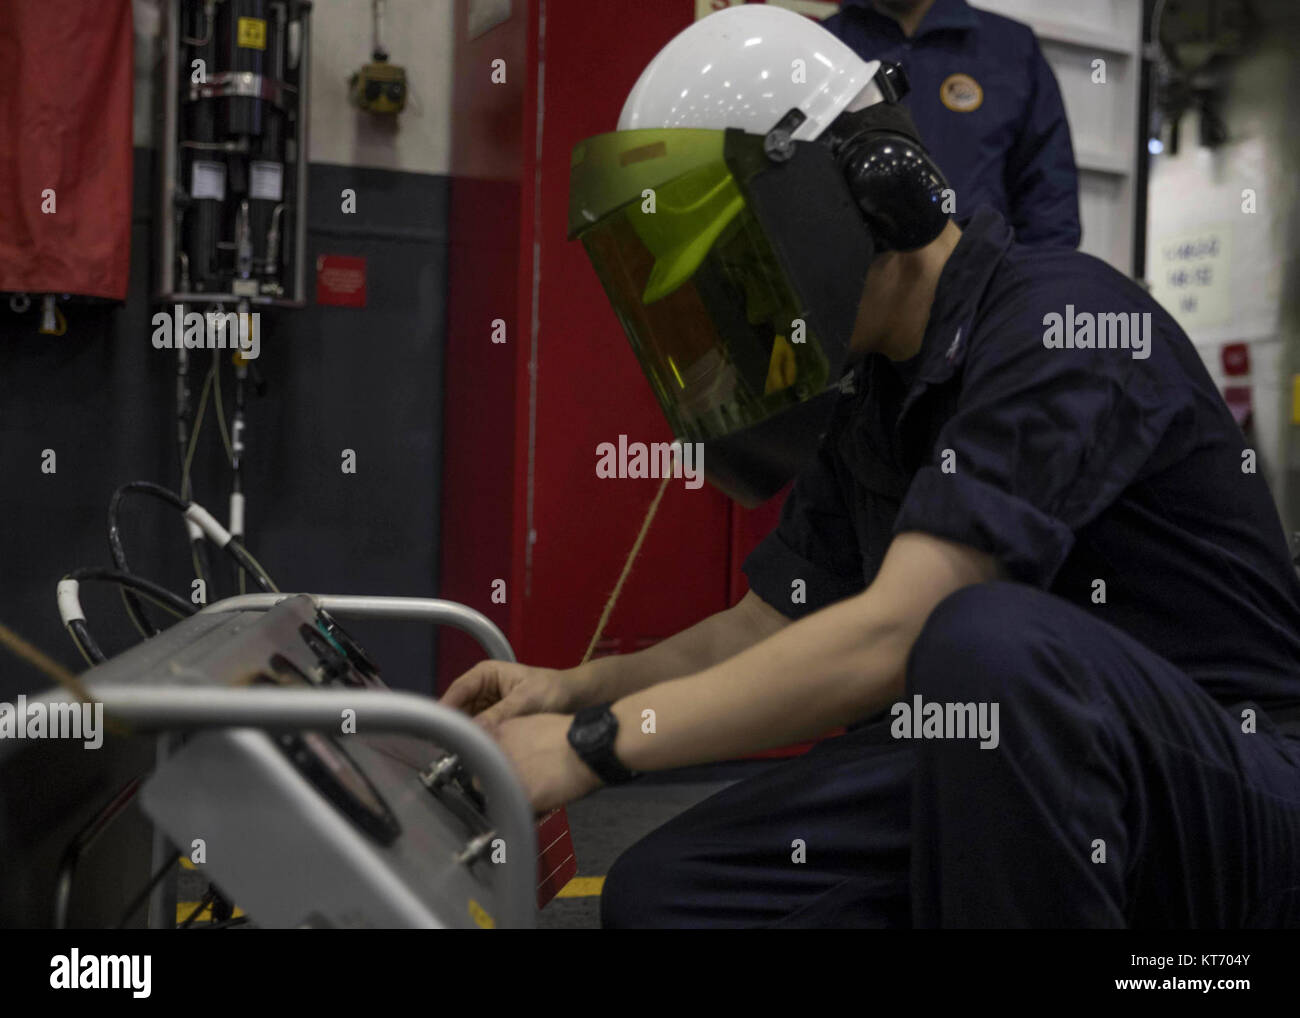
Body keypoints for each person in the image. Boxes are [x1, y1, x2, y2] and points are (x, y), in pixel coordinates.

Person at [443, 5, 1300, 927]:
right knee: (671, 895)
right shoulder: (868, 385)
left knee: (983, 641)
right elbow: (770, 625)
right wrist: (579, 687)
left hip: (1227, 792)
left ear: (868, 195)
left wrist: (592, 747)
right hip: (1019, 762)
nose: (734, 309)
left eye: (738, 265)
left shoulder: (1063, 325)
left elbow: (896, 634)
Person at [822, 0, 1082, 248]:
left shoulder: (1012, 50)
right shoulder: (825, 48)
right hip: (853, 278)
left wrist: (1034, 285)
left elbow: (1049, 200)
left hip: (980, 280)